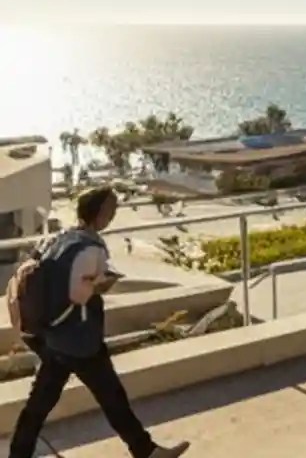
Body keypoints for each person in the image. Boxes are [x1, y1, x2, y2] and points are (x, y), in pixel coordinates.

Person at [10, 187, 190, 458]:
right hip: (80, 340)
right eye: (111, 209)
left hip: (52, 337)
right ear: (99, 212)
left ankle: (18, 454)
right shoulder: (92, 247)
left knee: (39, 404)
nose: (114, 214)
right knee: (112, 398)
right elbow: (78, 293)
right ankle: (146, 452)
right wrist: (100, 285)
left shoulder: (59, 238)